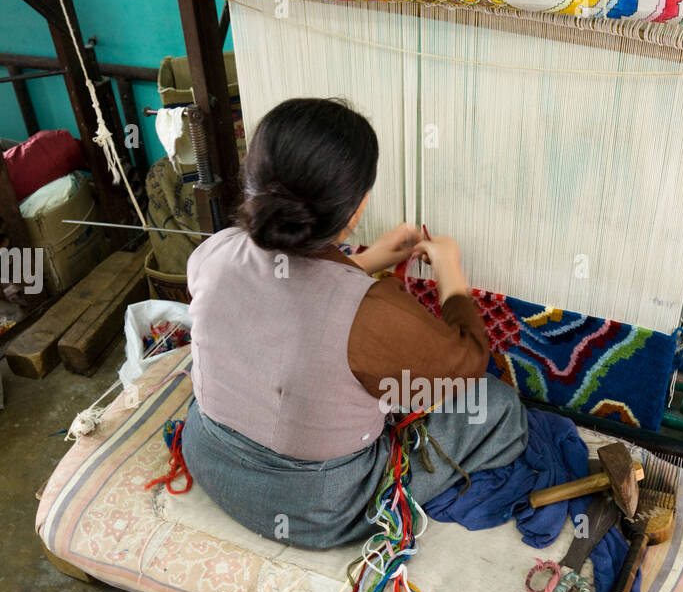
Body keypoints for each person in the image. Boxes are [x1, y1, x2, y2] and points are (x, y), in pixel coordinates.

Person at [181, 96, 528, 548]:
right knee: (497, 407)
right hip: (317, 510)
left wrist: (364, 262)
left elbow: (287, 304)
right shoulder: (373, 314)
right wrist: (451, 273)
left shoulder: (216, 252)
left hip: (208, 455)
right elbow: (467, 361)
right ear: (358, 207)